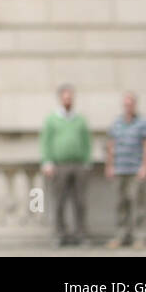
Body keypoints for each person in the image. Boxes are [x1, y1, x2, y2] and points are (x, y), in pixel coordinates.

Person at [40, 83, 92, 247]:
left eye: (70, 97)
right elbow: (45, 142)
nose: (68, 100)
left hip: (78, 165)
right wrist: (47, 161)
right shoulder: (52, 119)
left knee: (80, 202)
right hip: (59, 166)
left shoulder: (80, 119)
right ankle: (59, 234)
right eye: (65, 98)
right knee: (59, 202)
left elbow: (87, 142)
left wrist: (86, 161)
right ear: (60, 99)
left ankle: (81, 234)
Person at [105, 91, 146, 250]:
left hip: (136, 170)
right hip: (119, 170)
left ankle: (140, 237)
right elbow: (111, 146)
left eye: (130, 104)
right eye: (125, 104)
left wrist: (145, 166)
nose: (128, 107)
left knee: (139, 205)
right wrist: (110, 166)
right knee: (121, 205)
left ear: (135, 105)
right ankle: (121, 236)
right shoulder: (116, 123)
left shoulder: (143, 123)